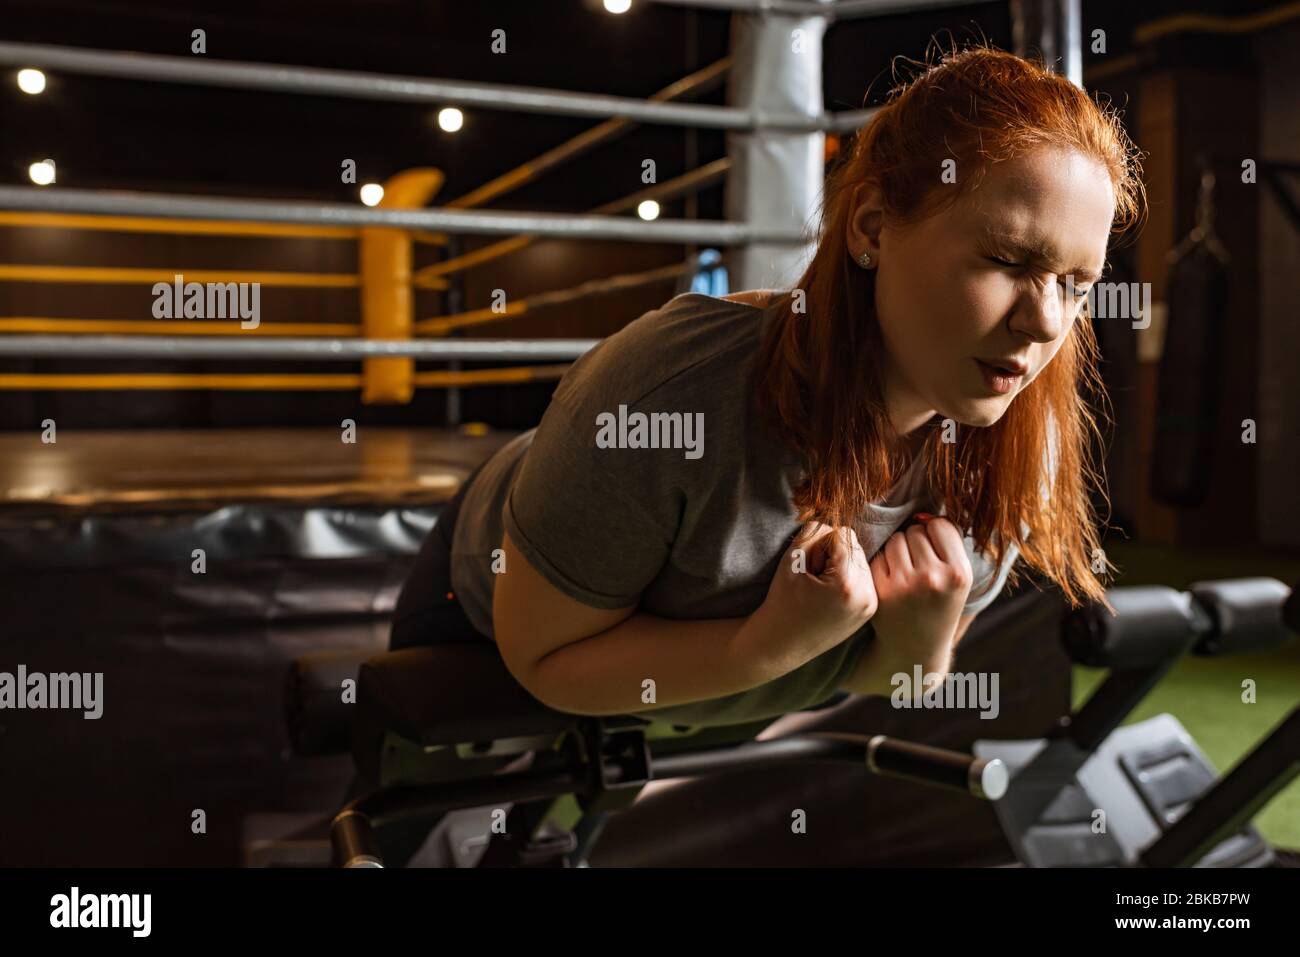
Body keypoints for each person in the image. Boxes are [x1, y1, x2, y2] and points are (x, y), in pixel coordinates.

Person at [391, 43, 1145, 732]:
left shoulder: (1018, 439)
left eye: (1076, 285)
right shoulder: (670, 390)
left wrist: (920, 646)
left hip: (702, 697)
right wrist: (762, 646)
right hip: (487, 619)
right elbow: (547, 660)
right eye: (1009, 259)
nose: (1046, 322)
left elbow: (893, 678)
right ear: (873, 228)